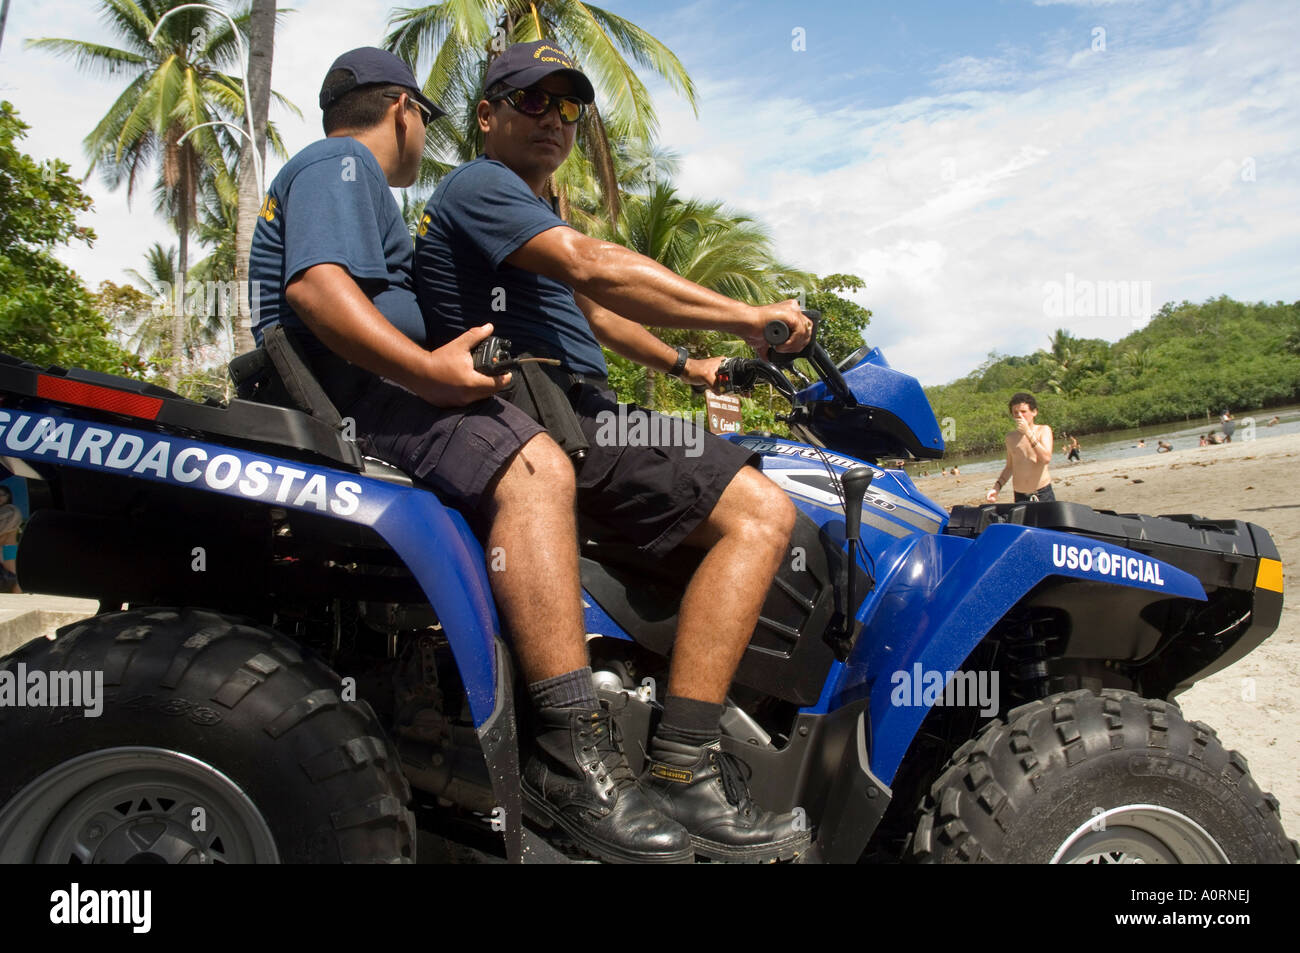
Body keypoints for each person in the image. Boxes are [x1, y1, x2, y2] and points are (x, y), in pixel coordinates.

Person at [250, 48, 700, 863]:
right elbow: (316, 290)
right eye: (425, 117)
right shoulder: (342, 164)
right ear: (403, 111)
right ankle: (573, 756)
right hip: (355, 391)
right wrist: (427, 372)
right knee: (536, 467)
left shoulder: (349, 180)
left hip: (368, 386)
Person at [413, 41, 814, 863]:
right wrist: (745, 316)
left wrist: (687, 363)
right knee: (762, 513)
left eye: (568, 107)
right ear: (486, 116)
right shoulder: (481, 185)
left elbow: (595, 310)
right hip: (560, 410)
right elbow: (595, 265)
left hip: (588, 402)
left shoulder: (529, 215)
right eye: (532, 101)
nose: (555, 120)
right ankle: (683, 769)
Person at [986, 392, 1055, 503]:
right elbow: (1009, 467)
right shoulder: (1010, 438)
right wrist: (996, 488)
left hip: (1042, 493)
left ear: (1034, 412)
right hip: (1020, 495)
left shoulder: (1043, 430)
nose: (1019, 415)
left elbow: (1046, 458)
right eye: (1015, 412)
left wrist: (1028, 433)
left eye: (1023, 412)